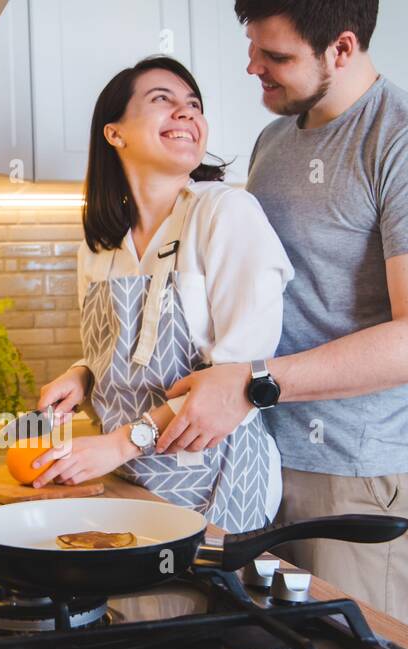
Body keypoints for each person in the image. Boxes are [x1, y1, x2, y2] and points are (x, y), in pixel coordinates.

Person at [153, 0, 408, 621]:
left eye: (275, 56)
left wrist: (254, 385)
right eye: (254, 47)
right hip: (256, 458)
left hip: (354, 474)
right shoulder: (275, 140)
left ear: (342, 47)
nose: (253, 67)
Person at [32, 56, 293, 534]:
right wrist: (83, 374)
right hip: (132, 481)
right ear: (115, 134)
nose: (187, 113)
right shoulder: (100, 245)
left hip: (220, 488)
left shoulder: (227, 214)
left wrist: (117, 444)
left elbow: (237, 381)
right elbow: (122, 351)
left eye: (194, 105)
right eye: (163, 101)